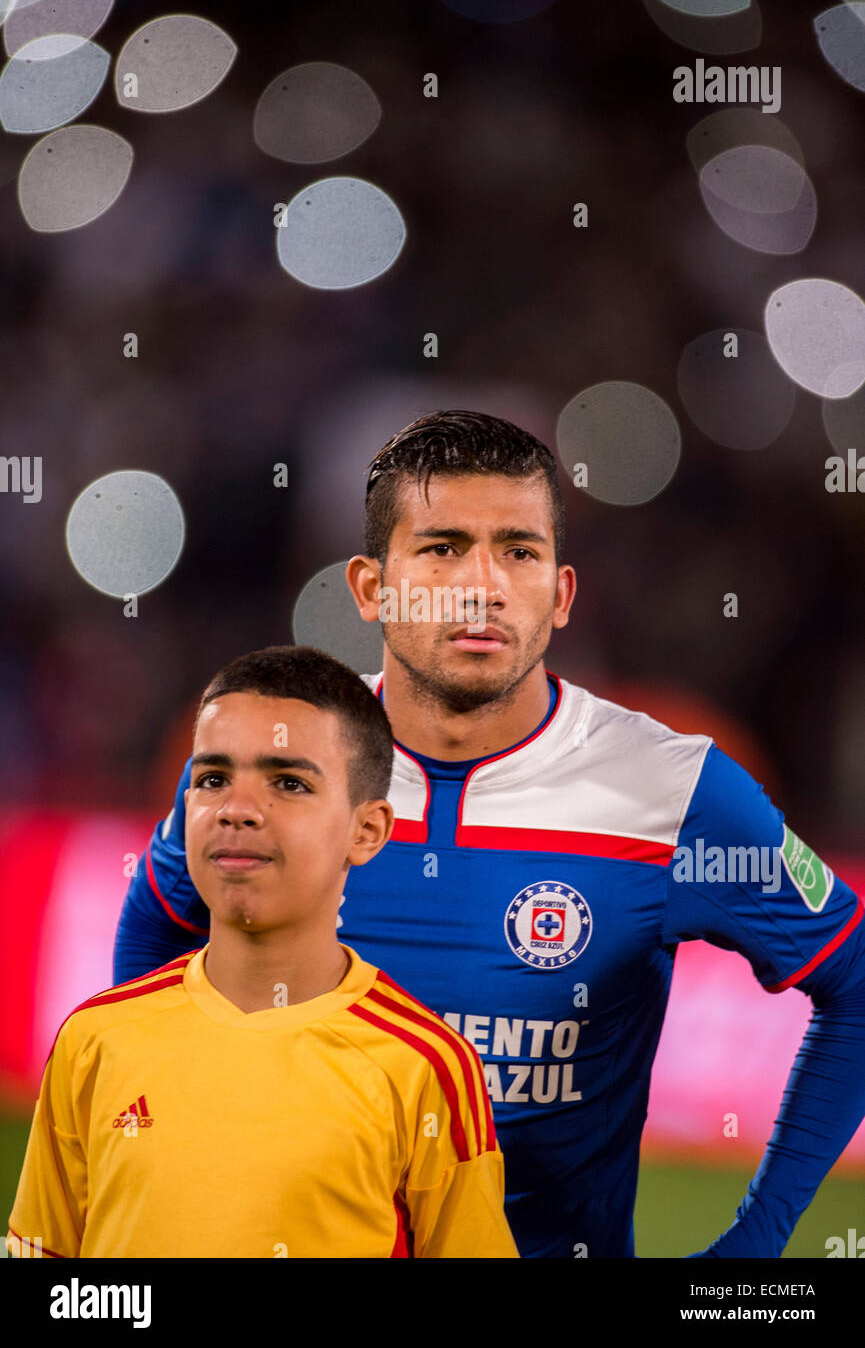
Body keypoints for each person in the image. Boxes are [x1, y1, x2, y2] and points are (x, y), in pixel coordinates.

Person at [113, 410, 865, 1258]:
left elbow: (854, 976)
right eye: (440, 548)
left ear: (561, 592)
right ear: (369, 588)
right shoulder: (270, 756)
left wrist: (753, 1245)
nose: (483, 584)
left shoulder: (671, 788)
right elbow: (156, 918)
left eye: (518, 550)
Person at [7, 645, 518, 1259]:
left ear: (368, 830)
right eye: (213, 778)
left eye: (288, 782)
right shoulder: (93, 1039)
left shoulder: (427, 1066)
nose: (238, 810)